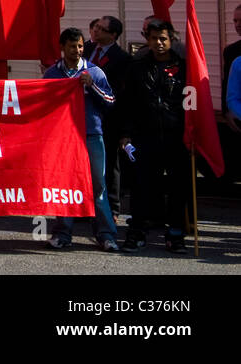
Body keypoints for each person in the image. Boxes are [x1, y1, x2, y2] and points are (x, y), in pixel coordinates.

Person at [44, 27, 119, 252]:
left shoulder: (94, 72)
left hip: (91, 136)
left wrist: (91, 86)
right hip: (63, 139)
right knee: (64, 186)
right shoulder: (52, 74)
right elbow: (42, 102)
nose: (77, 50)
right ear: (62, 47)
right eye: (72, 46)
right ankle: (62, 233)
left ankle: (105, 235)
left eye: (79, 46)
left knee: (98, 186)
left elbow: (110, 101)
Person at [119, 18, 190, 253]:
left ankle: (176, 235)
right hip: (145, 137)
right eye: (154, 39)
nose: (158, 43)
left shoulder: (185, 68)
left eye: (163, 39)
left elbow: (193, 103)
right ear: (147, 41)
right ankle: (137, 233)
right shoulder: (137, 68)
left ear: (171, 40)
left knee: (178, 189)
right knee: (142, 188)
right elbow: (127, 103)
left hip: (177, 138)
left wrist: (194, 131)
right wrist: (126, 134)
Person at [84, 15, 130, 212]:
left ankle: (112, 207)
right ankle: (86, 205)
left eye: (101, 29)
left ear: (113, 35)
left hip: (109, 118)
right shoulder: (86, 50)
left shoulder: (122, 59)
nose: (95, 31)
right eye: (95, 27)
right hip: (85, 116)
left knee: (110, 164)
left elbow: (121, 93)